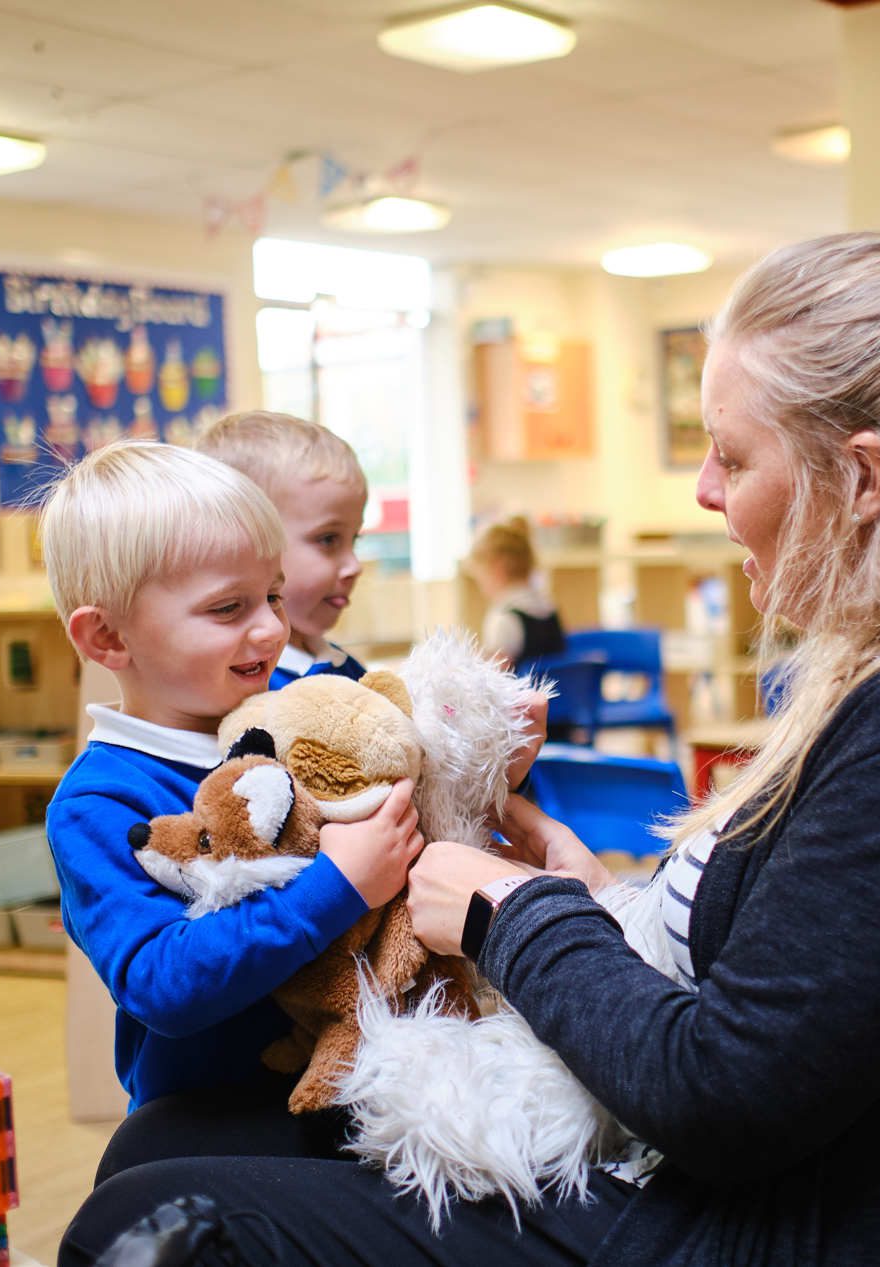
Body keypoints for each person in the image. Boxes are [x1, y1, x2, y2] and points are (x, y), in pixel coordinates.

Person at [62, 231, 880, 1266]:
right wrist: (595, 899)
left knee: (147, 1222)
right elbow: (817, 978)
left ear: (860, 478)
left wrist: (517, 916)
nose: (706, 492)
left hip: (784, 1227)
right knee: (162, 1143)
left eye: (732, 456)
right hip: (774, 1187)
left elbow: (725, 1092)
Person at [40, 440, 425, 1199]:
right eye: (228, 608)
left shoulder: (293, 715)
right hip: (218, 1130)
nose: (270, 630)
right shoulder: (99, 804)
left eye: (274, 596)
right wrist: (338, 887)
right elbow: (164, 981)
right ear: (108, 637)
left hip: (369, 1084)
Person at [196, 410, 370, 688]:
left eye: (354, 539)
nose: (354, 566)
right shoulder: (242, 685)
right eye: (328, 539)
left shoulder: (347, 669)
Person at [465, 515, 566, 669]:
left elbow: (494, 680)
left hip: (525, 693)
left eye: (481, 578)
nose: (481, 588)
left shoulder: (503, 619)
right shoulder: (549, 607)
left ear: (496, 569)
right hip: (562, 692)